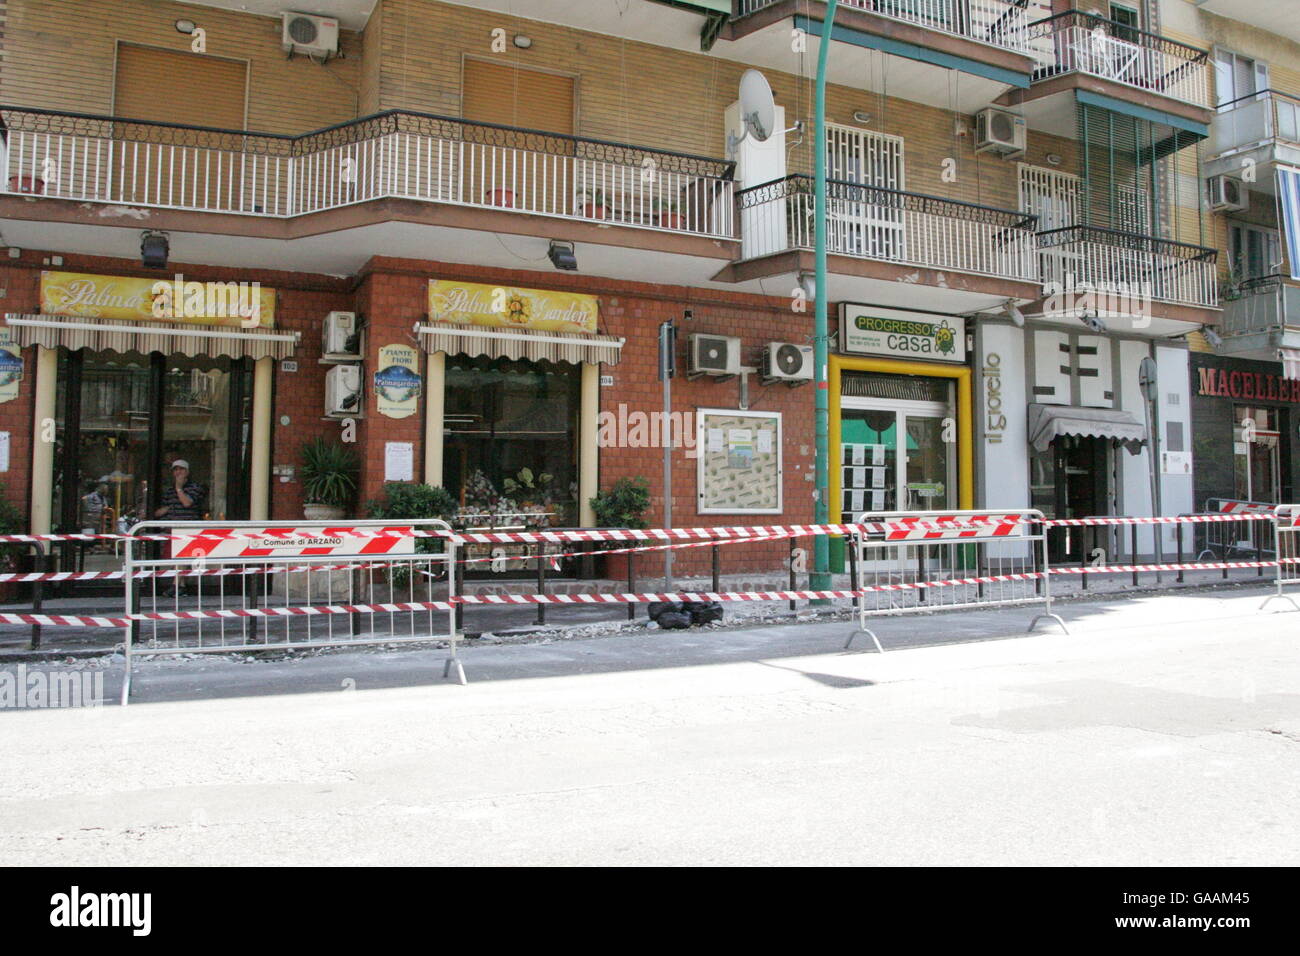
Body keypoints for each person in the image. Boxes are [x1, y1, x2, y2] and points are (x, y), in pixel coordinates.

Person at [154, 459, 205, 597]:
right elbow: (165, 508)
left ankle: (176, 586)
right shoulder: (169, 491)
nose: (178, 472)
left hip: (189, 529)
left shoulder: (195, 487)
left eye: (181, 469)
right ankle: (181, 587)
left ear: (187, 472)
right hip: (173, 528)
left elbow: (187, 503)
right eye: (175, 470)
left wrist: (179, 488)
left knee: (182, 557)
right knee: (175, 558)